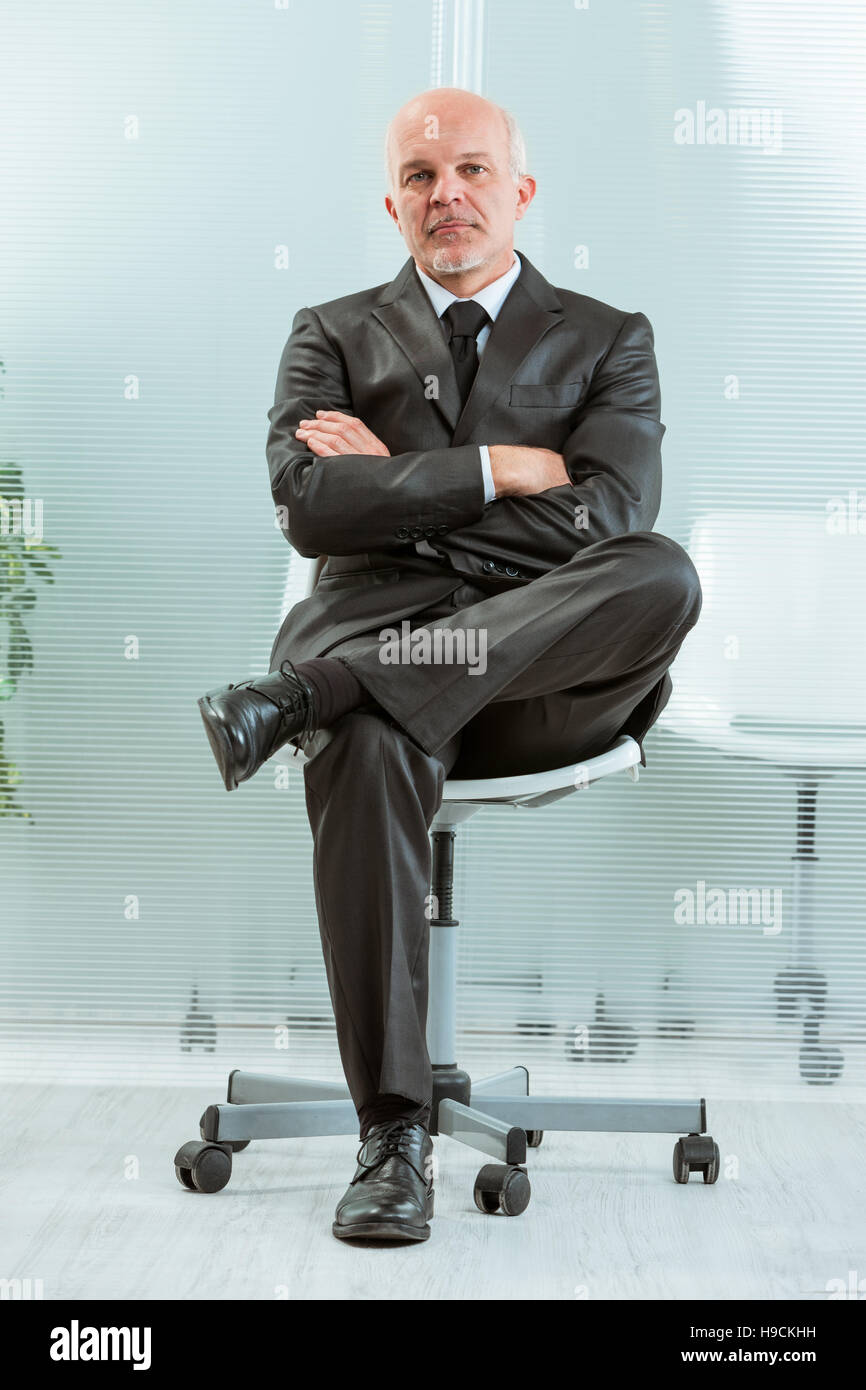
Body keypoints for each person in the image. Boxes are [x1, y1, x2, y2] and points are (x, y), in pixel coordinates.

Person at [197, 87, 702, 1244]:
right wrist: (506, 471)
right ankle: (393, 1138)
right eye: (421, 178)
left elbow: (609, 520)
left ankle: (316, 695)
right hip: (384, 660)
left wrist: (405, 493)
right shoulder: (329, 331)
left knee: (660, 574)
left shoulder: (608, 336)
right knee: (373, 738)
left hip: (541, 688)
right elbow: (312, 508)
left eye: (472, 171)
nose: (448, 195)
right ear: (392, 203)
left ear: (519, 192)